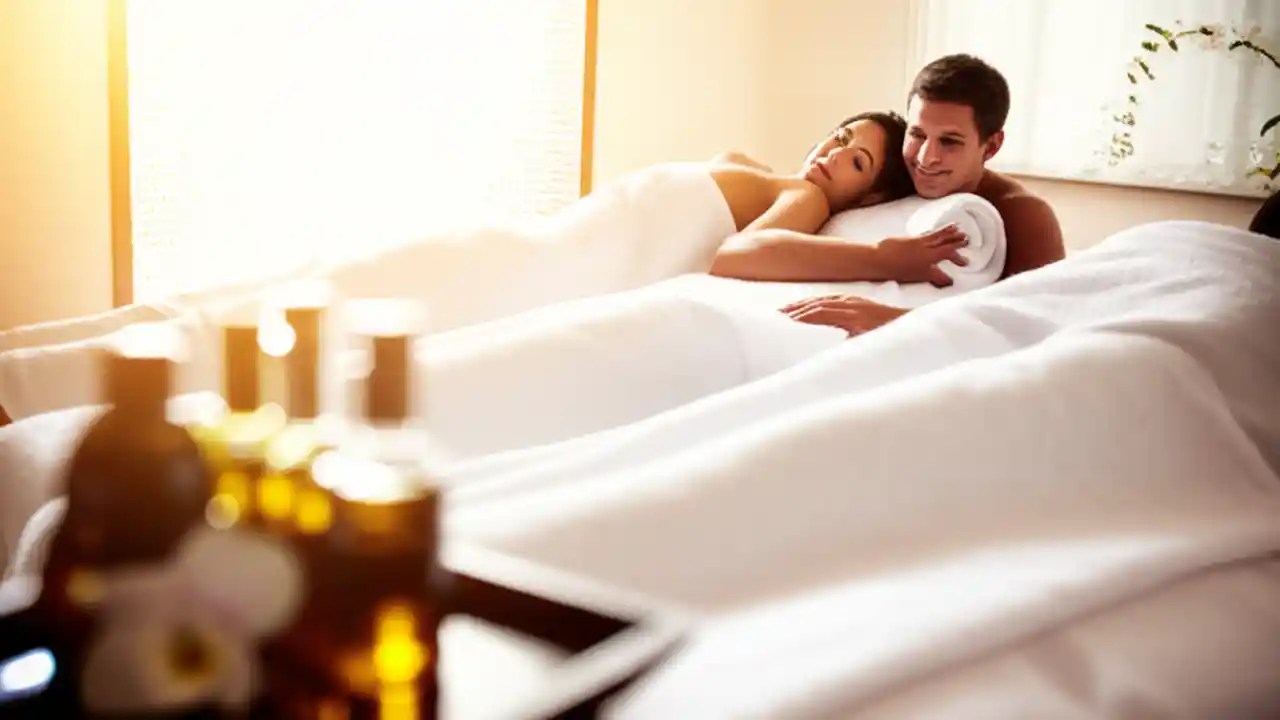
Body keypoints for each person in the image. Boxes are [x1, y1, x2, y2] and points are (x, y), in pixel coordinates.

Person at [731, 54, 1066, 337]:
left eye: (949, 142)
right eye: (917, 134)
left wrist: (891, 321)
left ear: (991, 146)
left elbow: (1036, 326)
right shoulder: (892, 174)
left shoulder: (1023, 215)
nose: (925, 158)